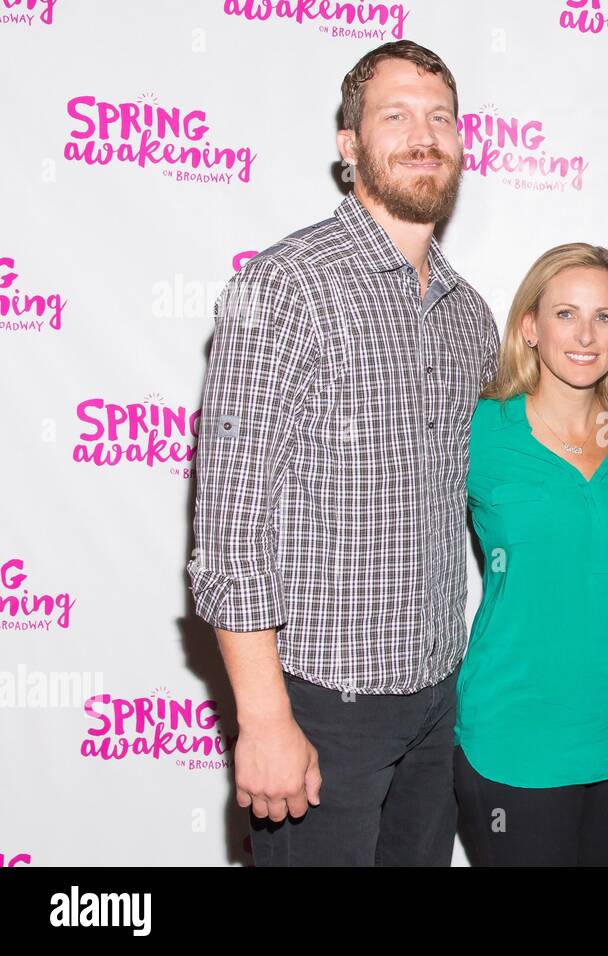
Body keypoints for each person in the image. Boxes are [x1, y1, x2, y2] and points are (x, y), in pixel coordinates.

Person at [187, 40, 499, 866]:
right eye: (394, 115)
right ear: (349, 144)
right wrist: (262, 719)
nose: (422, 134)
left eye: (440, 117)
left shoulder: (471, 315)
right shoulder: (284, 286)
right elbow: (230, 527)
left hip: (438, 694)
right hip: (320, 703)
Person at [454, 243, 608, 866]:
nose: (585, 334)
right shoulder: (481, 428)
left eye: (604, 317)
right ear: (529, 326)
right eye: (565, 314)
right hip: (514, 732)